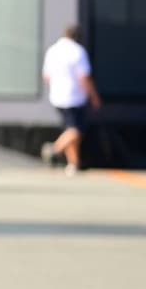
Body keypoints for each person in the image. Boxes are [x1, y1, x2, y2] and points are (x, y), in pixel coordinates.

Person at [41, 25, 102, 177]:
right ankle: (55, 149)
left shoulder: (52, 50)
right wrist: (93, 95)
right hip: (74, 97)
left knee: (70, 129)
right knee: (77, 130)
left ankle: (73, 164)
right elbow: (84, 77)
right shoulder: (78, 51)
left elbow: (46, 77)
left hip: (57, 96)